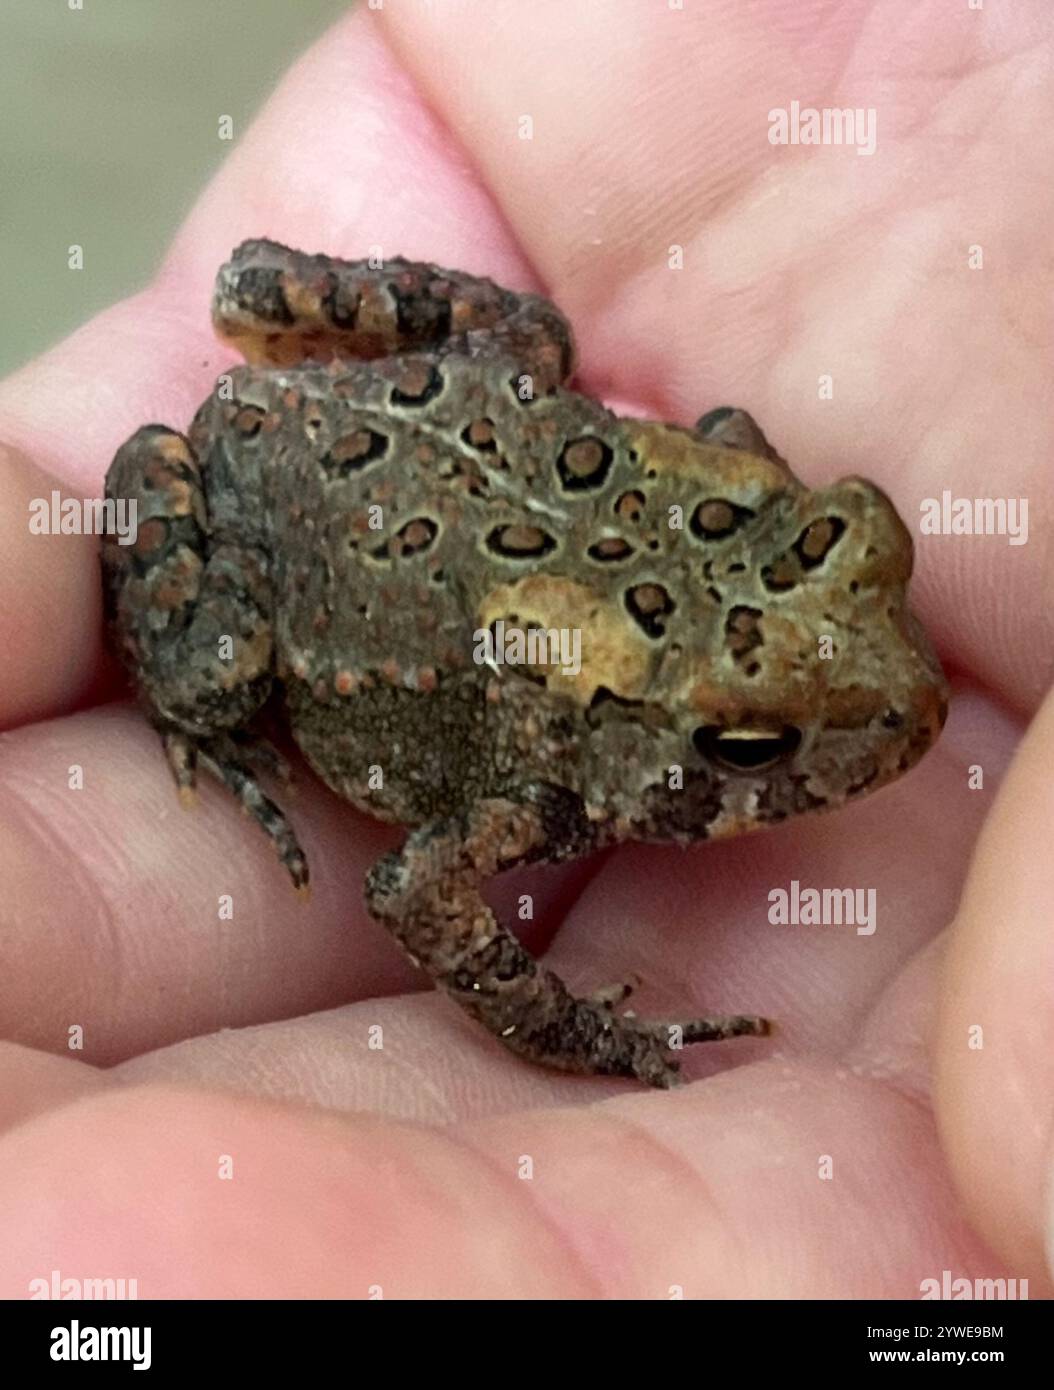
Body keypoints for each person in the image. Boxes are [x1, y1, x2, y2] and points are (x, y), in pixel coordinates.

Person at [0, 2, 1049, 1298]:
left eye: (850, 546)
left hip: (451, 429)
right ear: (630, 743)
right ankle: (197, 703)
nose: (901, 690)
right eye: (745, 743)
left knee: (527, 348)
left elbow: (721, 425)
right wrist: (567, 1027)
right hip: (273, 519)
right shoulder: (537, 781)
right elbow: (411, 890)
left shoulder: (700, 528)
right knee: (214, 670)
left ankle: (280, 314)